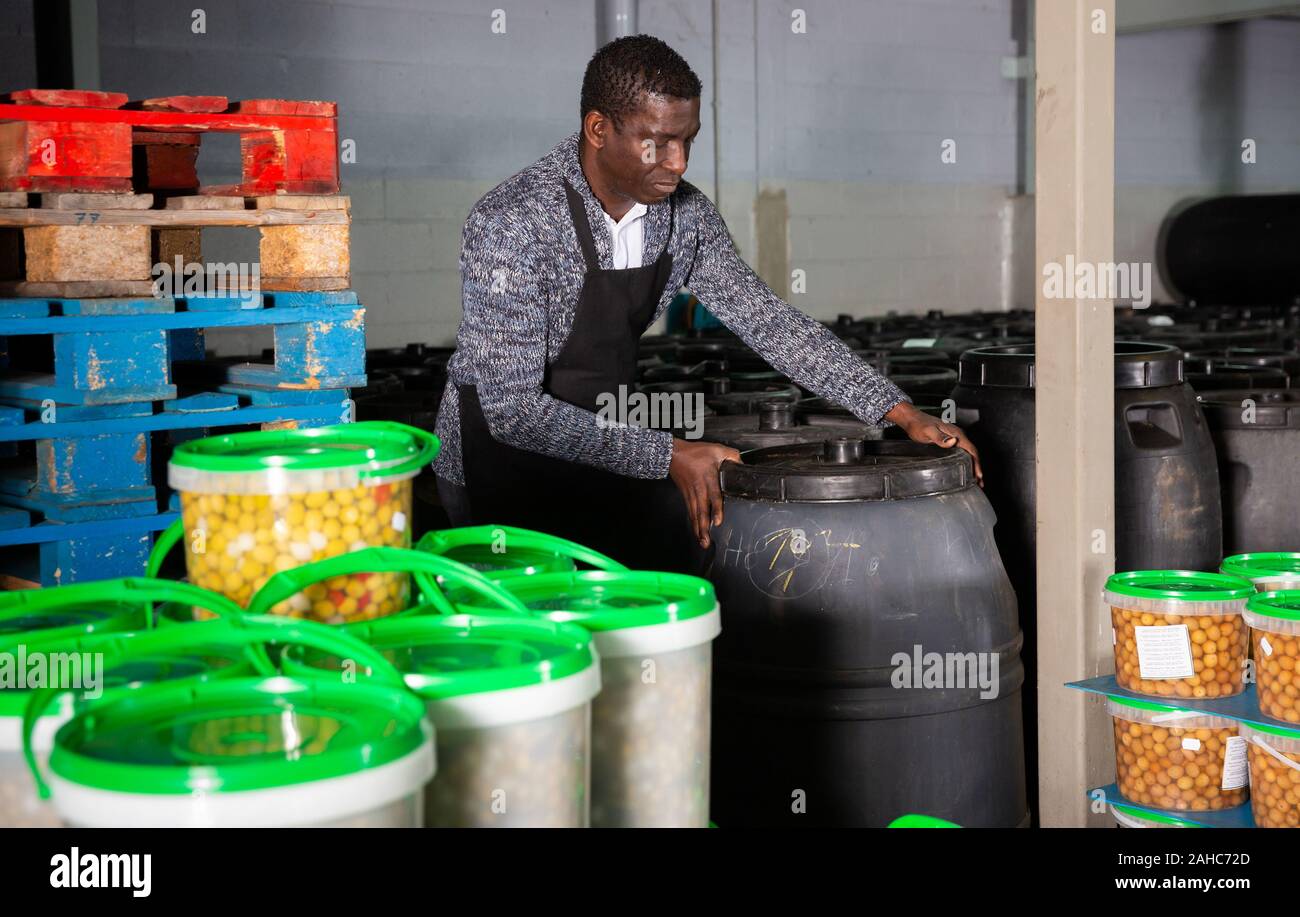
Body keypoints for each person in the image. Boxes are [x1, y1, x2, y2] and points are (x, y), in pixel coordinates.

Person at [433, 35, 980, 570]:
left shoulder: (684, 217)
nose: (678, 163)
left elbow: (769, 322)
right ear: (598, 129)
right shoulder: (515, 219)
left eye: (688, 139)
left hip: (611, 440)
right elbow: (512, 412)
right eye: (658, 142)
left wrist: (897, 409)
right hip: (500, 464)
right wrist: (667, 454)